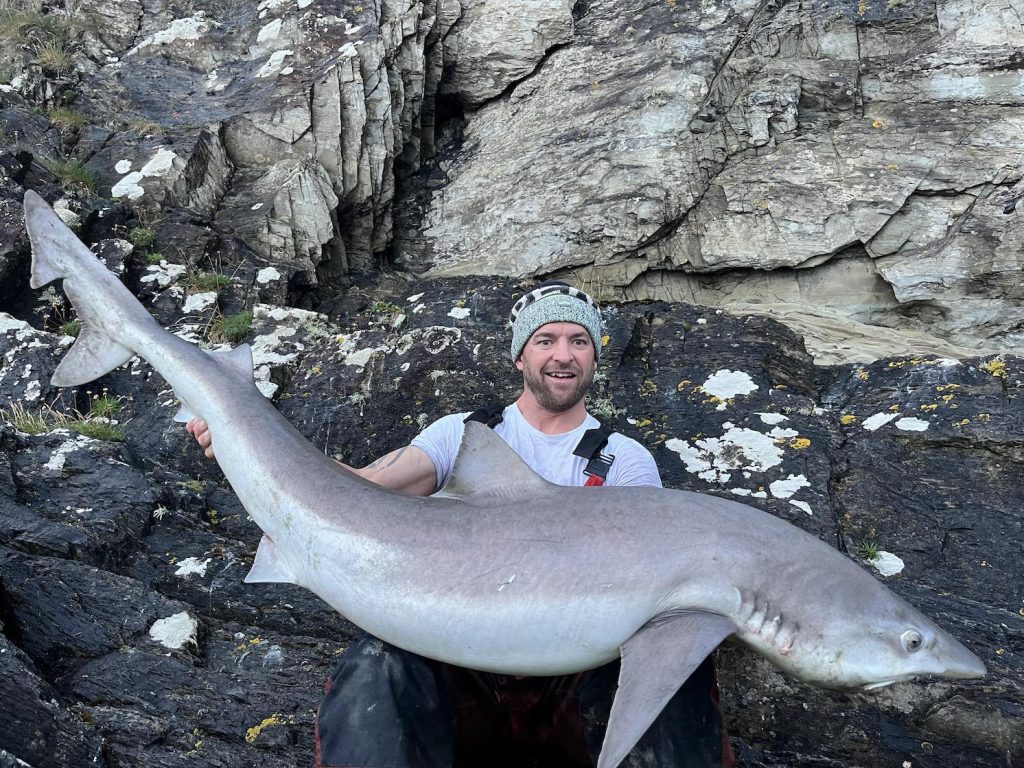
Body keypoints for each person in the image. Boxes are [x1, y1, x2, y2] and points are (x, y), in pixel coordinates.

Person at [187, 281, 733, 768]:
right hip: (461, 670)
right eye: (545, 340)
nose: (562, 356)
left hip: (576, 675)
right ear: (520, 356)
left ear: (594, 357)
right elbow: (357, 491)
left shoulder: (624, 460)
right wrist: (243, 436)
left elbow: (659, 581)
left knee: (673, 676)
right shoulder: (462, 434)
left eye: (578, 341)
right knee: (383, 659)